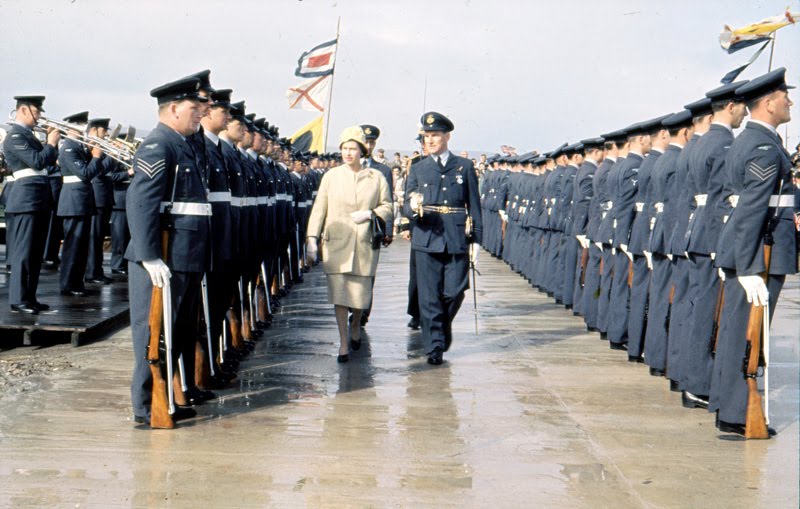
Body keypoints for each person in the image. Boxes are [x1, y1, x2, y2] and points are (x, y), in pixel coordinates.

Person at [710, 68, 795, 438]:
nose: (790, 101)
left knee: (740, 332)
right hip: (759, 252)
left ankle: (729, 405)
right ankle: (736, 411)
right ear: (769, 103)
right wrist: (747, 267)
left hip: (758, 249)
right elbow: (752, 208)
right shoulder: (762, 145)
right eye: (784, 96)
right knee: (746, 335)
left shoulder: (754, 141)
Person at [126, 76, 210, 427]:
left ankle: (168, 402)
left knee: (176, 331)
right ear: (173, 108)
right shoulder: (159, 145)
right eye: (194, 108)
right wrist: (148, 255)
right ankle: (146, 407)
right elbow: (141, 202)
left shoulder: (185, 143)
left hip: (187, 254)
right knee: (154, 335)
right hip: (166, 256)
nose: (200, 115)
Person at [305, 126, 392, 363]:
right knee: (340, 296)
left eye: (353, 148)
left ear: (362, 151)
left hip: (364, 244)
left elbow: (388, 205)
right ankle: (343, 341)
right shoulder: (331, 177)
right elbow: (319, 208)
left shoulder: (376, 177)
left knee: (360, 297)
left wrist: (370, 213)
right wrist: (312, 238)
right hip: (337, 245)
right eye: (344, 148)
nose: (348, 153)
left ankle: (356, 324)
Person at [403, 111, 482, 365]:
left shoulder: (464, 167)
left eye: (435, 135)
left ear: (447, 136)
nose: (430, 140)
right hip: (427, 236)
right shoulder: (418, 168)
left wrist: (477, 241)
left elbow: (475, 206)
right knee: (428, 296)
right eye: (427, 136)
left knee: (456, 291)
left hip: (456, 237)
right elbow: (406, 203)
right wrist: (412, 208)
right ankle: (435, 345)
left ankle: (441, 325)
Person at [2, 95, 60, 314]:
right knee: (23, 252)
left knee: (35, 252)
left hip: (37, 199)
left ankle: (29, 297)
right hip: (25, 199)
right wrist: (51, 144)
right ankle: (18, 299)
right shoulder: (15, 136)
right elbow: (37, 161)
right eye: (37, 112)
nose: (39, 117)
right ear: (24, 110)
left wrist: (48, 145)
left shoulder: (29, 135)